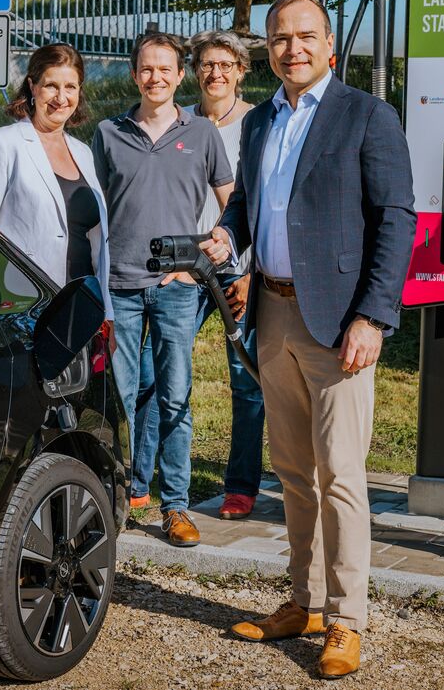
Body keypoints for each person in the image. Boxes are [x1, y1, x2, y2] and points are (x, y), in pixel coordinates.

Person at [200, 0, 415, 680]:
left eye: (304, 37)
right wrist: (226, 236)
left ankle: (347, 618)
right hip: (274, 313)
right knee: (293, 472)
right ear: (268, 48)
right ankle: (303, 599)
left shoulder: (366, 115)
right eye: (280, 38)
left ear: (328, 46)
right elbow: (253, 211)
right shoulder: (261, 121)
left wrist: (373, 316)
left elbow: (397, 220)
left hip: (339, 321)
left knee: (342, 477)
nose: (291, 49)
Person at [92, 31, 232, 548]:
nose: (156, 78)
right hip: (121, 287)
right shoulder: (108, 133)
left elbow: (230, 202)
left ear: (180, 75)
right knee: (120, 399)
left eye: (166, 69)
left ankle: (176, 506)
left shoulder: (203, 133)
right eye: (146, 69)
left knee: (175, 398)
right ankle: (117, 497)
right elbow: (95, 210)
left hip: (177, 287)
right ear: (135, 75)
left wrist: (209, 253)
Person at [0, 43, 113, 325]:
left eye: (70, 87)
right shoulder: (3, 144)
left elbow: (99, 245)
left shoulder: (83, 153)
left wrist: (107, 314)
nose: (61, 98)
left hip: (83, 306)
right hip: (25, 308)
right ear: (33, 87)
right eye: (51, 86)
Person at [186, 29, 264, 520]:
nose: (216, 73)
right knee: (163, 372)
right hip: (184, 268)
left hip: (239, 265)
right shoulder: (179, 120)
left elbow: (261, 200)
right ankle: (145, 478)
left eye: (225, 64)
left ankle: (240, 485)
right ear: (195, 71)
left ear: (240, 70)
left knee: (246, 378)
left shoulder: (259, 122)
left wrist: (250, 268)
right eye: (206, 64)